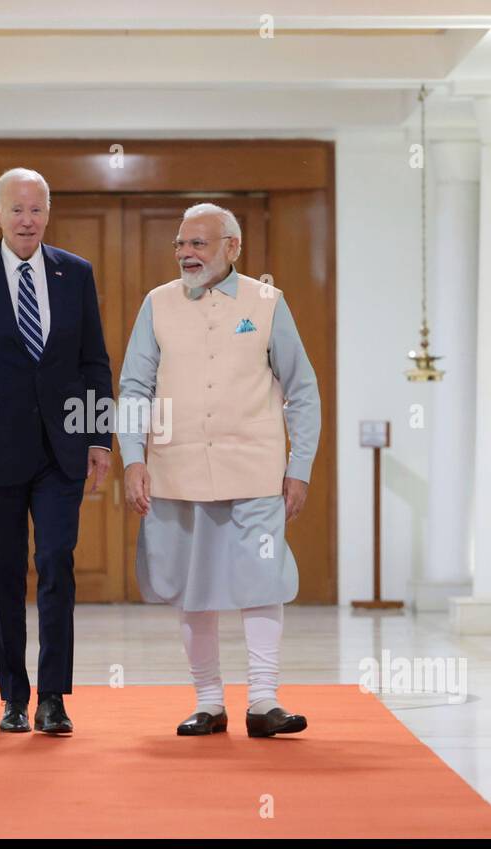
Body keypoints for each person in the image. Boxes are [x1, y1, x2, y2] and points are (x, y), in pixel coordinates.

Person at [118, 202, 321, 737]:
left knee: (262, 581)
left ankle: (264, 702)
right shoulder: (157, 304)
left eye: (198, 244)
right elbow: (134, 389)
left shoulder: (268, 301)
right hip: (176, 471)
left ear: (232, 247)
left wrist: (299, 465)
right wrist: (132, 458)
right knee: (192, 586)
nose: (186, 254)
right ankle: (208, 702)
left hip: (255, 470)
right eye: (181, 245)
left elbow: (302, 390)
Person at [0, 167, 113, 735]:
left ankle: (53, 697)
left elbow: (93, 363)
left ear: (48, 213)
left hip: (62, 451)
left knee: (56, 563)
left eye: (37, 209)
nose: (27, 219)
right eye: (17, 209)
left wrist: (99, 437)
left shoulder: (74, 273)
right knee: (6, 573)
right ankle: (14, 696)